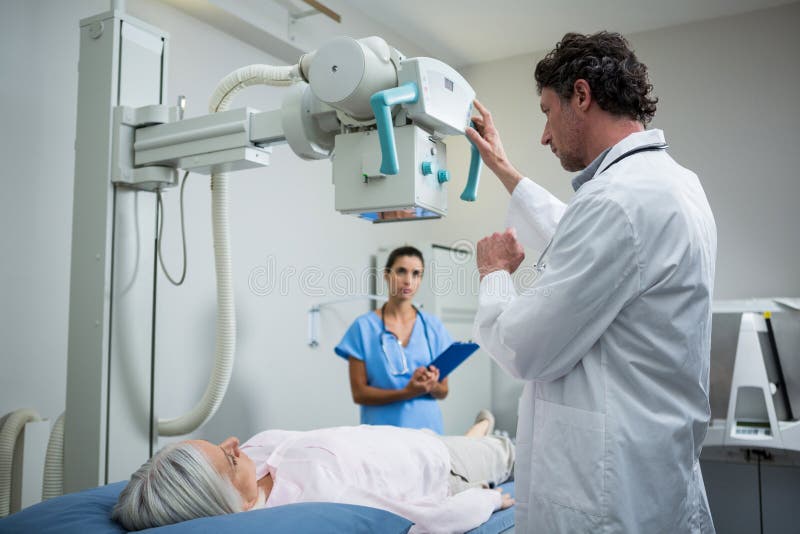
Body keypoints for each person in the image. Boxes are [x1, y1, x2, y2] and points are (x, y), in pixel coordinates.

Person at [465, 32, 716, 532]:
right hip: (647, 480)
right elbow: (587, 246)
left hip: (607, 495)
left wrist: (494, 276)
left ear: (581, 96)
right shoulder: (668, 184)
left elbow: (522, 349)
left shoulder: (616, 201)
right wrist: (502, 167)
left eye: (546, 110)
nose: (544, 134)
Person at [111, 413, 515, 532]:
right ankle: (482, 435)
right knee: (509, 452)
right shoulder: (317, 504)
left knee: (473, 437)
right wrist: (489, 499)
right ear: (239, 503)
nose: (235, 443)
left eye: (221, 444)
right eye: (229, 459)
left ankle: (477, 427)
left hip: (407, 440)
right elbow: (426, 522)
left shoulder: (254, 461)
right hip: (442, 466)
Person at [335, 246, 453, 433]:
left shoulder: (434, 327)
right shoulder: (363, 327)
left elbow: (444, 390)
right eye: (401, 271)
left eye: (416, 274)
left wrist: (430, 385)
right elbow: (359, 394)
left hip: (428, 433)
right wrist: (407, 392)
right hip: (381, 435)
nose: (408, 281)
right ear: (386, 275)